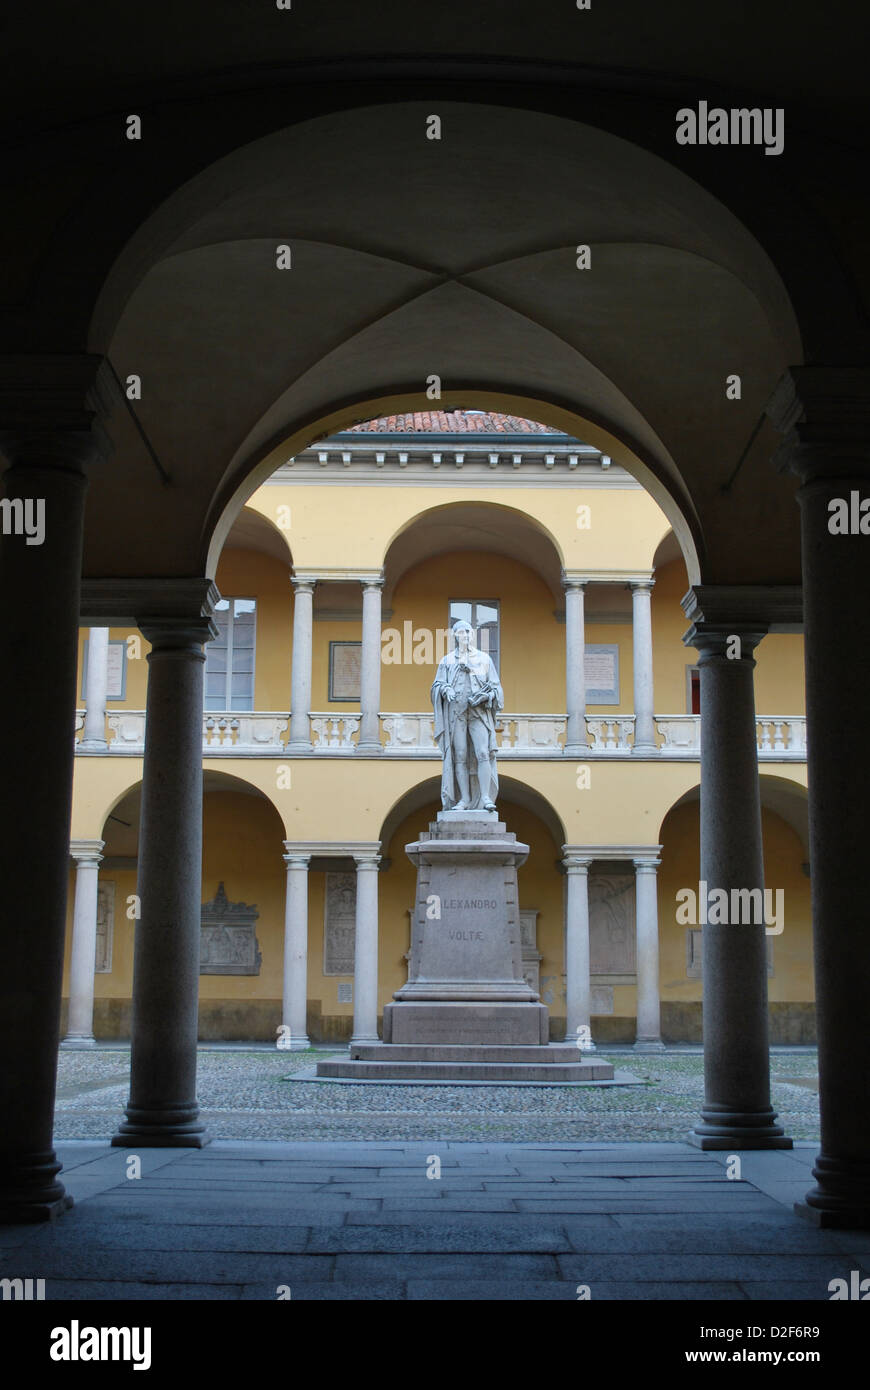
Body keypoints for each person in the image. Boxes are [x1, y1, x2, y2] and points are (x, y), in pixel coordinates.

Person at [430, 620, 503, 811]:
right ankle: (464, 799)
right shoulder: (447, 661)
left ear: (473, 634)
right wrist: (446, 690)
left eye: (468, 632)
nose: (465, 635)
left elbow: (496, 689)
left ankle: (486, 798)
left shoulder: (484, 659)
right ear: (455, 636)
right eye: (461, 632)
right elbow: (437, 685)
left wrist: (486, 695)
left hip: (478, 713)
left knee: (482, 753)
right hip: (456, 714)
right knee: (459, 756)